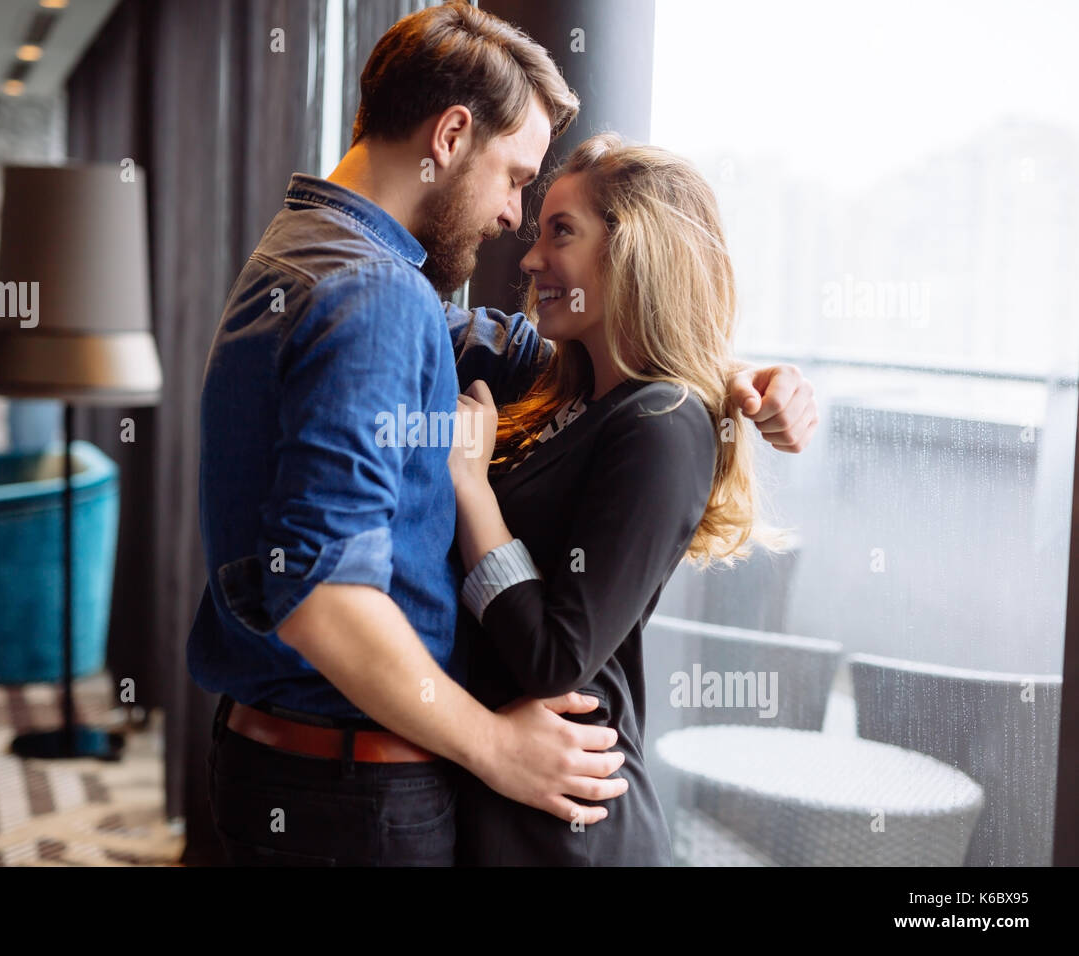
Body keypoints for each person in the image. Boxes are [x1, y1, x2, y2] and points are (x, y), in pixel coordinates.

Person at [189, 1, 818, 866]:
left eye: (554, 218)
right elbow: (323, 597)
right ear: (449, 135)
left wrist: (734, 381)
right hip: (350, 795)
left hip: (289, 771)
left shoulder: (303, 254)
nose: (514, 222)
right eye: (517, 177)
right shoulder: (375, 296)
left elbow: (586, 356)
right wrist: (493, 745)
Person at [447, 133, 788, 865]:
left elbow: (555, 658)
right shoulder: (565, 396)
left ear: (638, 251)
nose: (531, 259)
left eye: (561, 232)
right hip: (516, 813)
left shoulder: (661, 423)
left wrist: (471, 491)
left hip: (572, 830)